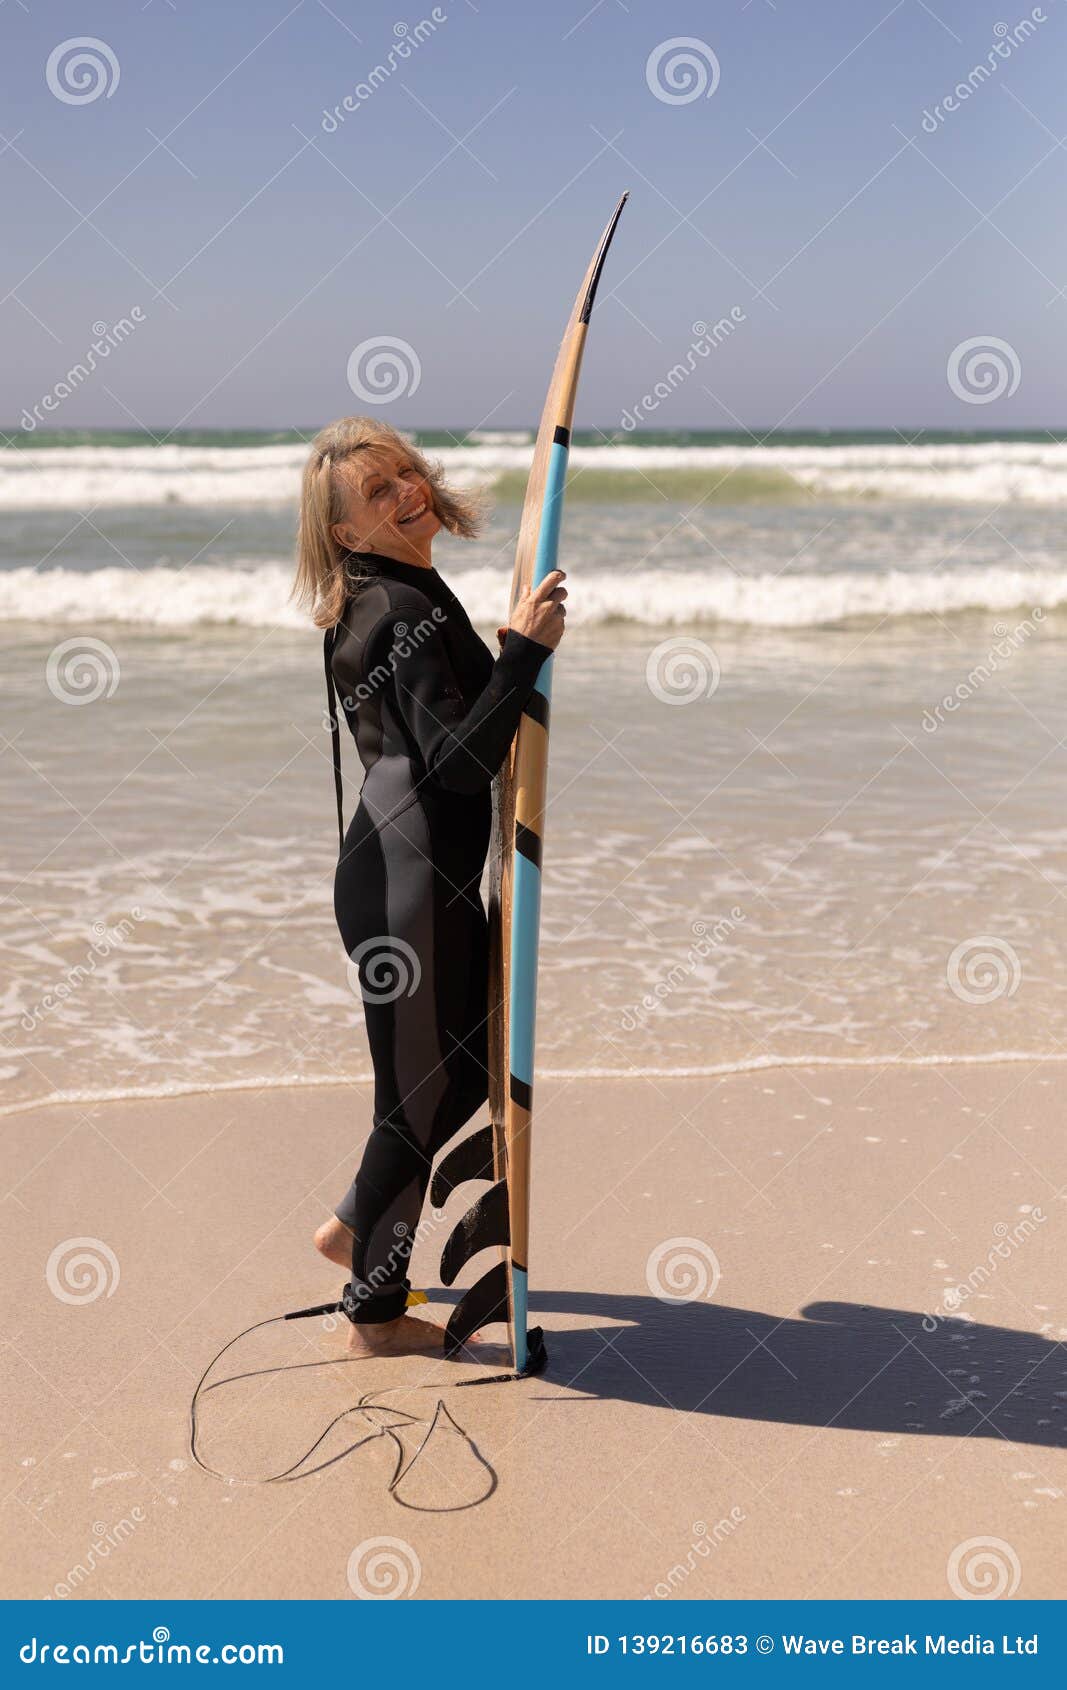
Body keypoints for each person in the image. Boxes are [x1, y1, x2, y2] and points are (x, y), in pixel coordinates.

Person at [292, 417, 567, 1355]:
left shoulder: (398, 589)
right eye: (379, 492)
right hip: (405, 888)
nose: (407, 491)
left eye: (406, 472)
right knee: (417, 1100)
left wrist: (511, 654)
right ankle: (373, 1317)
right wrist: (524, 652)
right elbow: (456, 764)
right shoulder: (400, 609)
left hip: (413, 878)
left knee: (458, 1078)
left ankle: (350, 1229)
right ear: (344, 532)